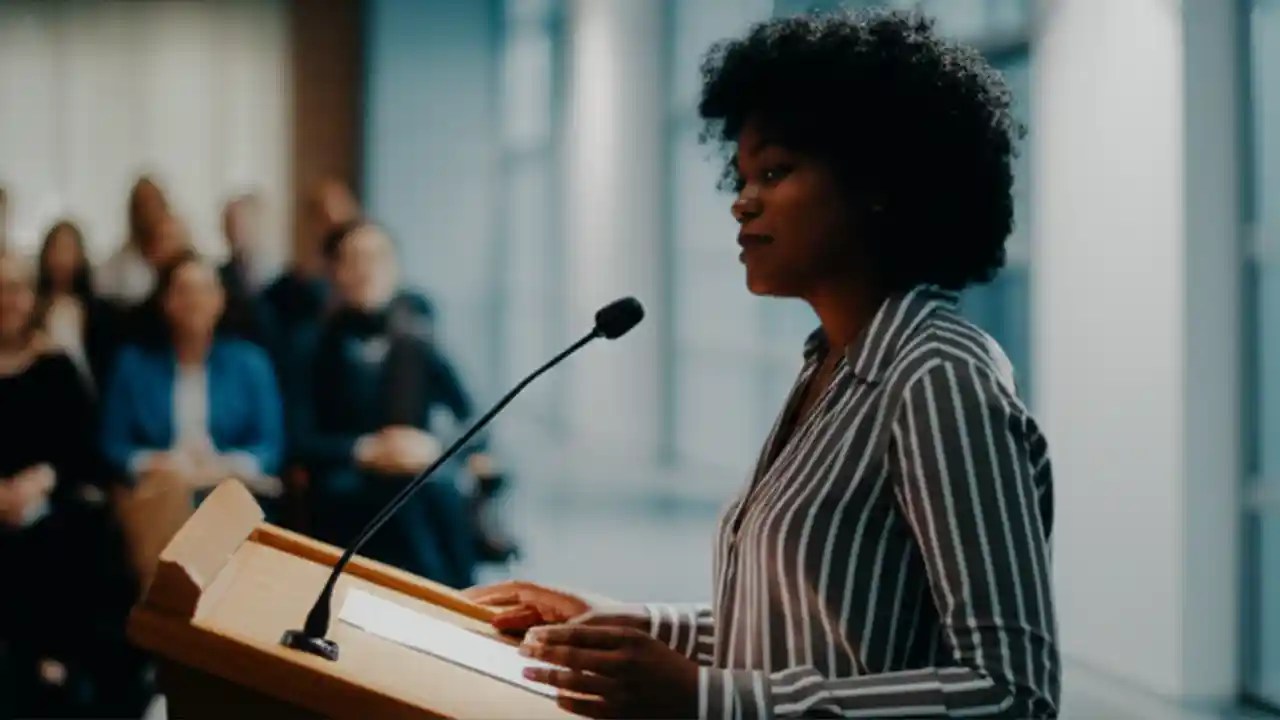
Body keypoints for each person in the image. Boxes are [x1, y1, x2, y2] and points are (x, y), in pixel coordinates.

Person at [465, 10, 1059, 719]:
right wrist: (622, 624)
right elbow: (817, 634)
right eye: (742, 176)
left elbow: (1013, 692)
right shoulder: (832, 364)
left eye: (775, 172)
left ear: (878, 183)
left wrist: (709, 699)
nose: (742, 203)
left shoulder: (938, 378)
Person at [293, 221, 484, 588]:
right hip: (345, 481)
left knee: (433, 492)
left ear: (396, 269)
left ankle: (461, 603)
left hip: (419, 476)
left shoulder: (418, 341)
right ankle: (444, 599)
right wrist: (368, 449)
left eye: (378, 259)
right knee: (406, 500)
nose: (367, 270)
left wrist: (433, 448)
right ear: (334, 270)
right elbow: (297, 439)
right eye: (355, 259)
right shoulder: (310, 346)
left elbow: (477, 421)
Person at [0, 252, 139, 718]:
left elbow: (84, 455)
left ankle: (58, 668)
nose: (8, 300)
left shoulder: (55, 366)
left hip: (50, 504)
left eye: (17, 288)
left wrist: (45, 478)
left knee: (77, 535)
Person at [100, 251, 284, 507]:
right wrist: (152, 462)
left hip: (229, 490)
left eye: (205, 291)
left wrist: (225, 465)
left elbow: (269, 446)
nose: (194, 301)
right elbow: (113, 444)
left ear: (221, 299)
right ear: (165, 301)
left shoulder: (251, 363)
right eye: (184, 291)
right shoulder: (133, 364)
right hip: (158, 492)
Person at [34, 219, 119, 390]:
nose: (61, 259)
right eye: (56, 249)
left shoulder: (98, 311)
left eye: (68, 250)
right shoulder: (32, 308)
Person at [96, 175, 175, 306]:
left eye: (154, 204)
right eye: (143, 205)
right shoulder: (118, 265)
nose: (149, 212)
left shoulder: (181, 261)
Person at [217, 193, 275, 352]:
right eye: (230, 225)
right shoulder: (217, 279)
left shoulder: (282, 277)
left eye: (242, 224)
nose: (236, 232)